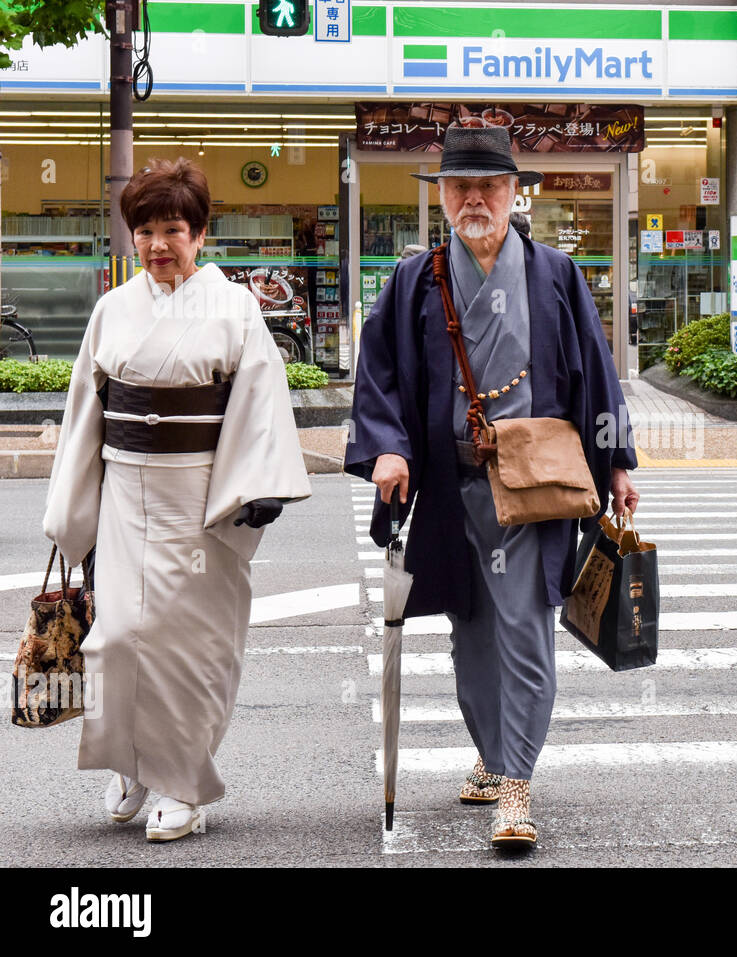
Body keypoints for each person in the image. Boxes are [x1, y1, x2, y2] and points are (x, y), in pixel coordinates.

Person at [345, 127, 639, 850]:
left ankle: (516, 782)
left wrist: (618, 461)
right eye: (460, 188)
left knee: (525, 627)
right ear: (442, 197)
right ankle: (491, 749)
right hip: (451, 487)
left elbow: (596, 371)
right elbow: (378, 371)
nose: (475, 200)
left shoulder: (554, 273)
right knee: (470, 632)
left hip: (534, 487)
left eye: (490, 187)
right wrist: (387, 449)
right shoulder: (416, 278)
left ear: (515, 193)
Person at [43, 158, 311, 842]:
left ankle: (183, 783)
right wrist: (76, 503)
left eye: (173, 229)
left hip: (200, 496)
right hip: (124, 491)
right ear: (131, 236)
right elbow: (86, 411)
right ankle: (133, 763)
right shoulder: (113, 309)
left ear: (199, 234)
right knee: (119, 638)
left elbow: (258, 401)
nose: (159, 244)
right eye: (146, 230)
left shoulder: (235, 308)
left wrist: (257, 489)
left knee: (190, 647)